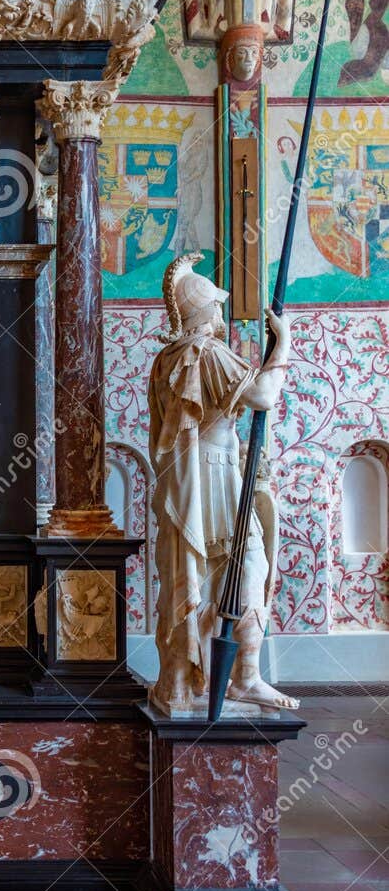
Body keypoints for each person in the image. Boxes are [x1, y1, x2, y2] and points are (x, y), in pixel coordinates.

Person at [148, 253, 299, 714]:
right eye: (215, 305)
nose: (219, 311)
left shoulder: (167, 358)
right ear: (204, 312)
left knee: (190, 578)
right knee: (248, 569)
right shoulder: (205, 352)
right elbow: (262, 397)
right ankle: (245, 679)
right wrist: (284, 342)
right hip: (214, 478)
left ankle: (175, 687)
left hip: (187, 482)